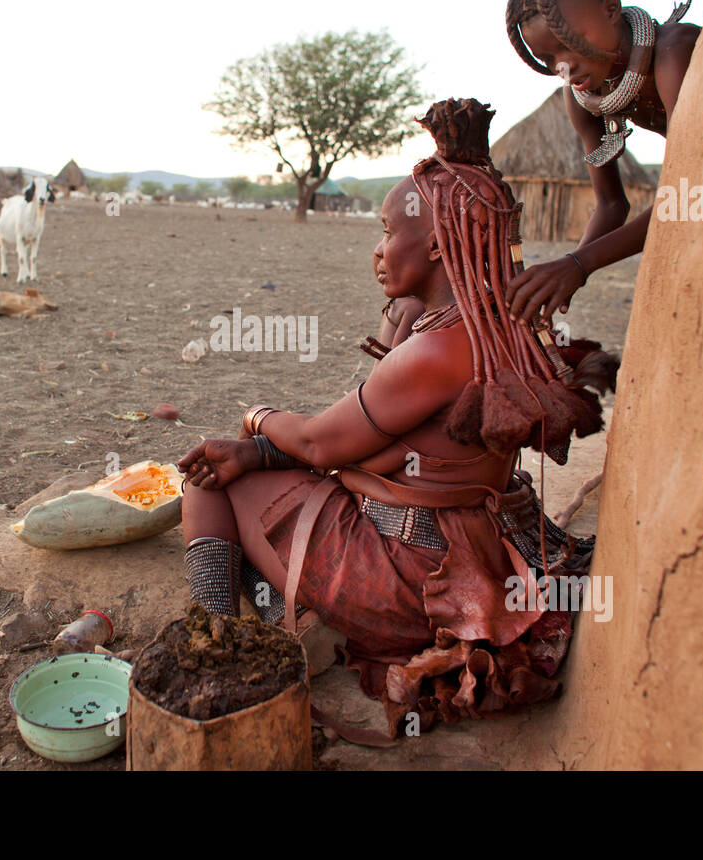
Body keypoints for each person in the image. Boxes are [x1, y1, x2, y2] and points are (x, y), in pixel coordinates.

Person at [176, 99, 609, 732]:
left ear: (435, 245)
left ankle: (213, 635)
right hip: (470, 549)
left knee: (206, 481)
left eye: (387, 231)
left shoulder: (435, 351)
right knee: (248, 462)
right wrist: (398, 311)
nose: (377, 249)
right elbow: (368, 446)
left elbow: (325, 445)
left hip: (408, 580)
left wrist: (255, 418)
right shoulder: (493, 323)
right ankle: (276, 614)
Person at [503, 0, 701, 324]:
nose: (564, 65)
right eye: (548, 59)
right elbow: (612, 204)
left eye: (570, 39)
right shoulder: (582, 98)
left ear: (611, 10)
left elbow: (688, 199)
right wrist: (566, 274)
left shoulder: (673, 54)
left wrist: (578, 264)